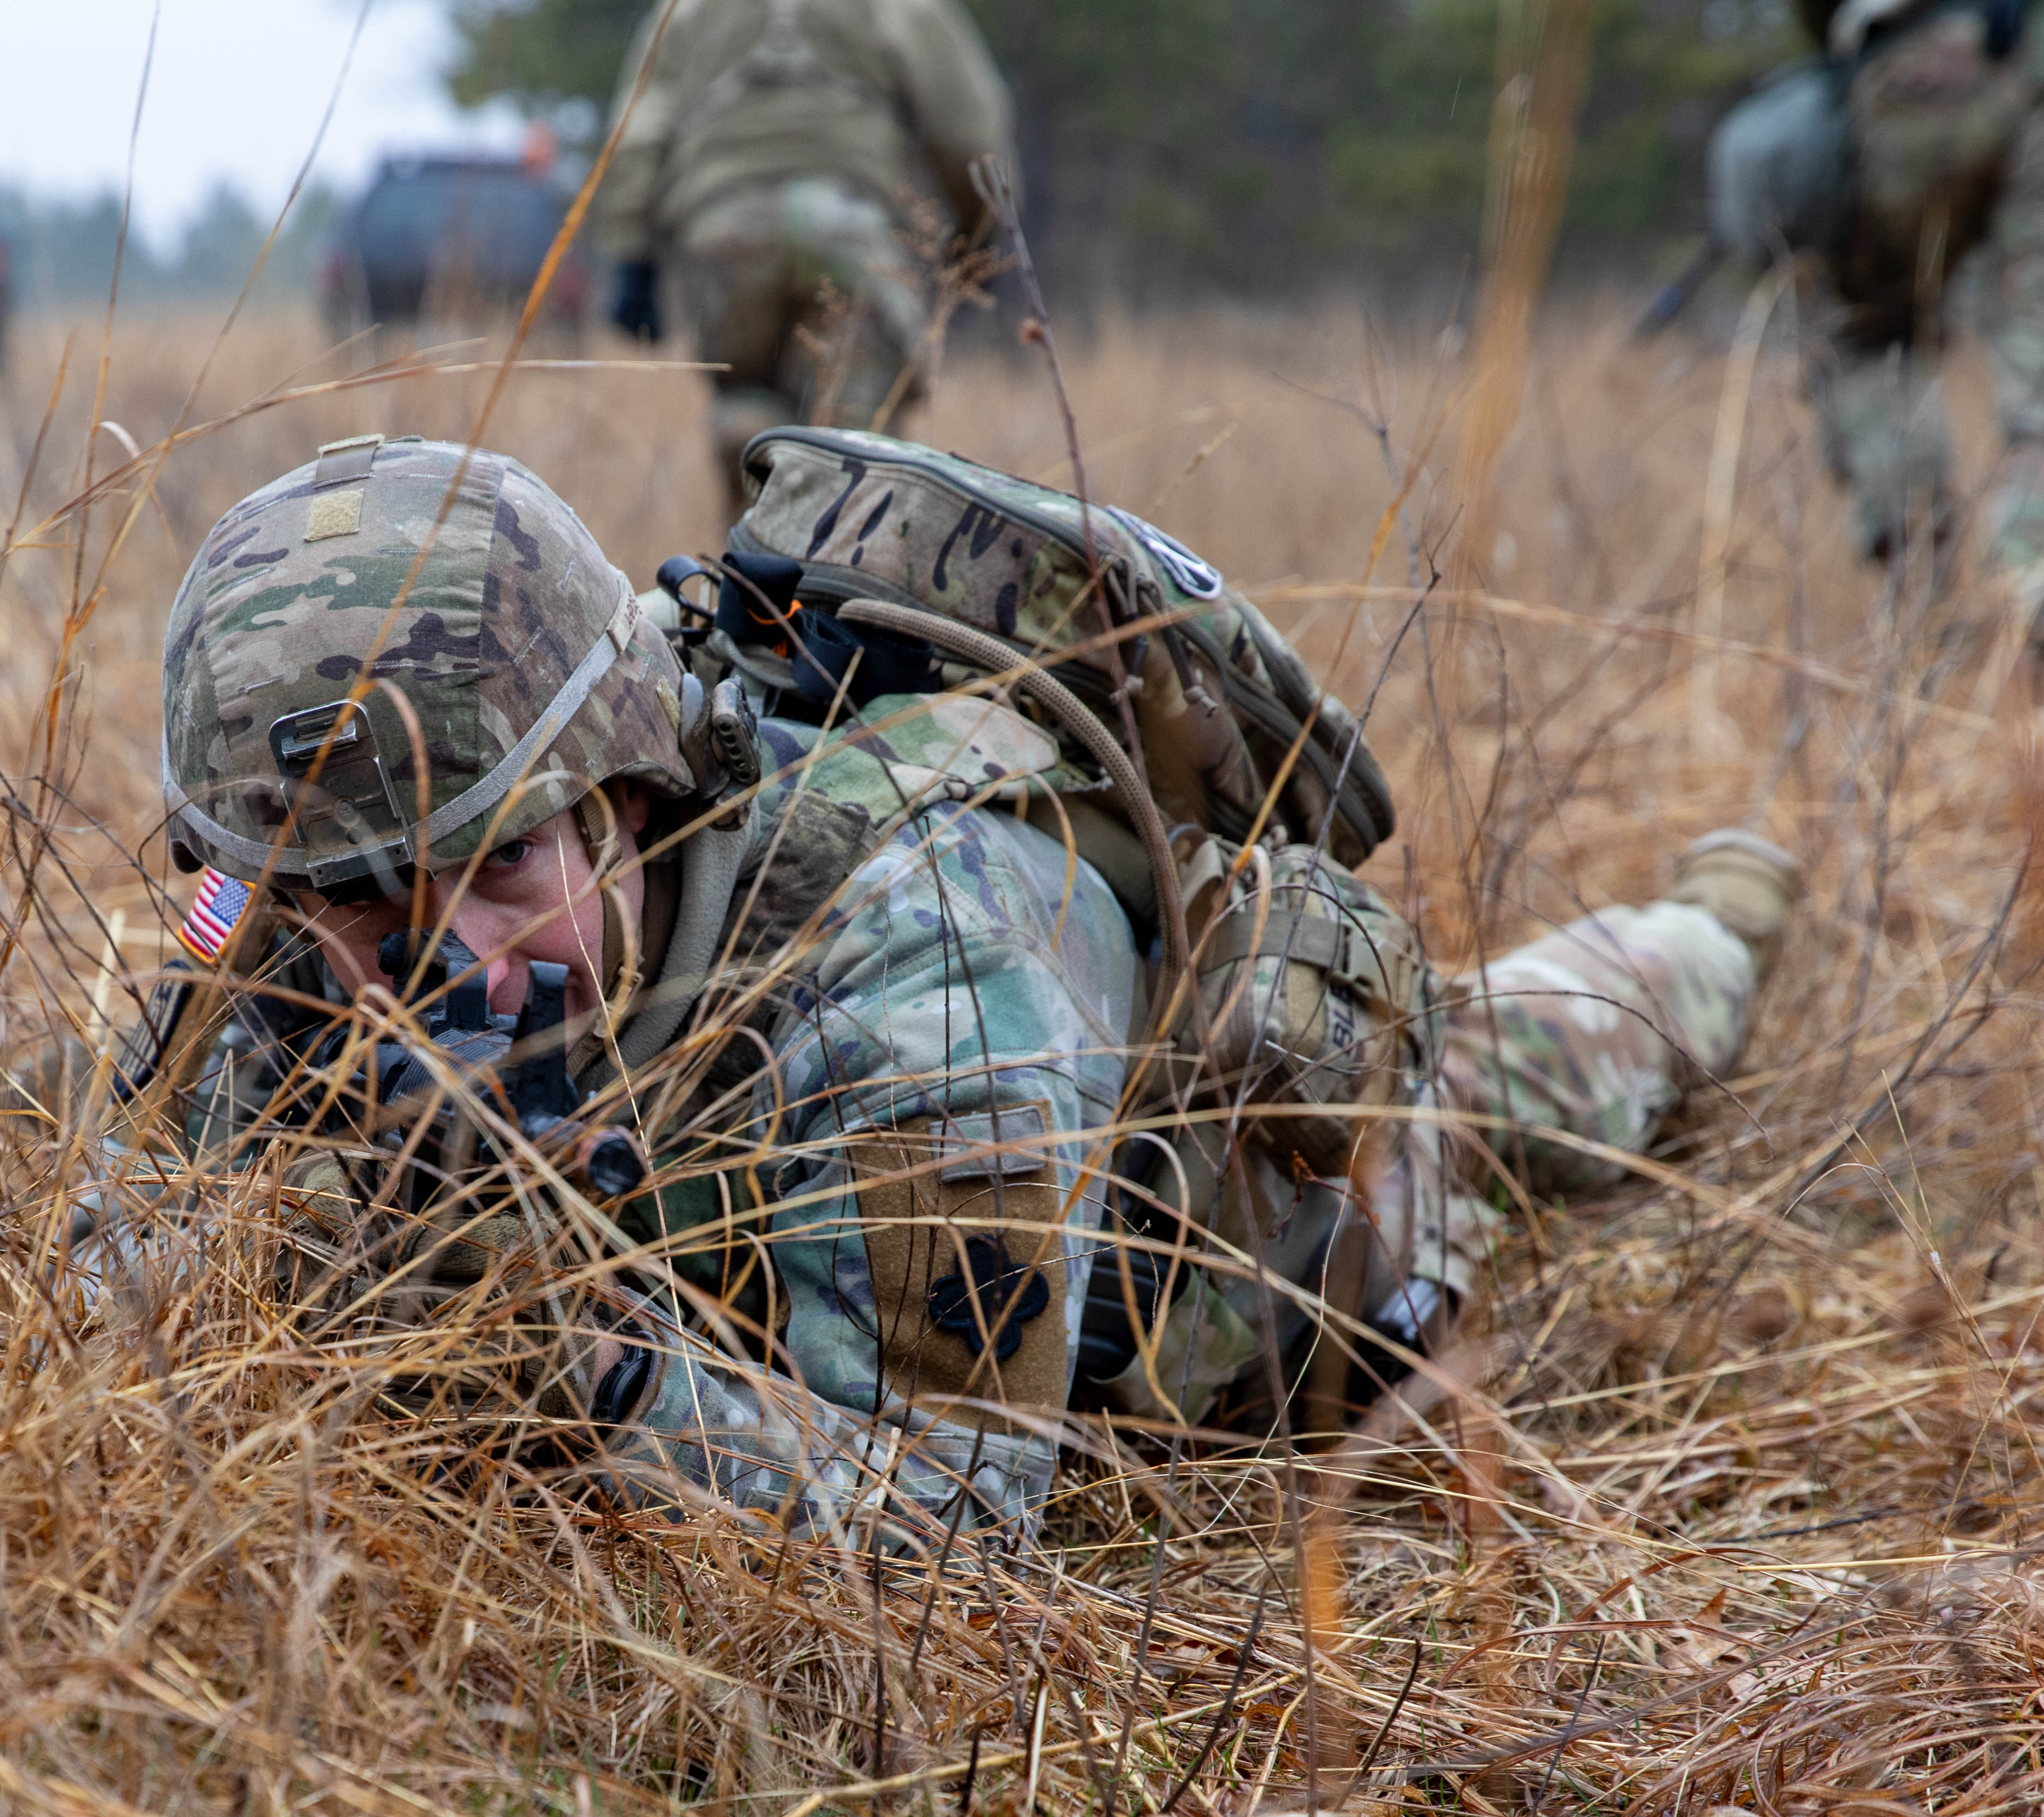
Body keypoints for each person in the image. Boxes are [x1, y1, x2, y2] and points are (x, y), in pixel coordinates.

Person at [114, 432, 1804, 1555]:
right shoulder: (284, 919)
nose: (455, 966)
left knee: (1550, 1052)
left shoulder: (913, 945)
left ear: (626, 785)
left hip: (1245, 1217)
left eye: (504, 870)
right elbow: (112, 1248)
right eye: (361, 901)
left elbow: (949, 1526)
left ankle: (1727, 905)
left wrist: (584, 1370)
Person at [592, 0, 1016, 488]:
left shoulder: (687, 9)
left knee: (748, 393)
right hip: (851, 237)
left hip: (725, 236)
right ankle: (839, 487)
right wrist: (976, 243)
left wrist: (633, 257)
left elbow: (638, 133)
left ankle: (751, 444)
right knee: (855, 436)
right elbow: (970, 134)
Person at [1778, 0, 2044, 575]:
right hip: (2028, 63)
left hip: (1912, 75)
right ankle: (2029, 586)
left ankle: (1914, 563)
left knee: (1859, 328)